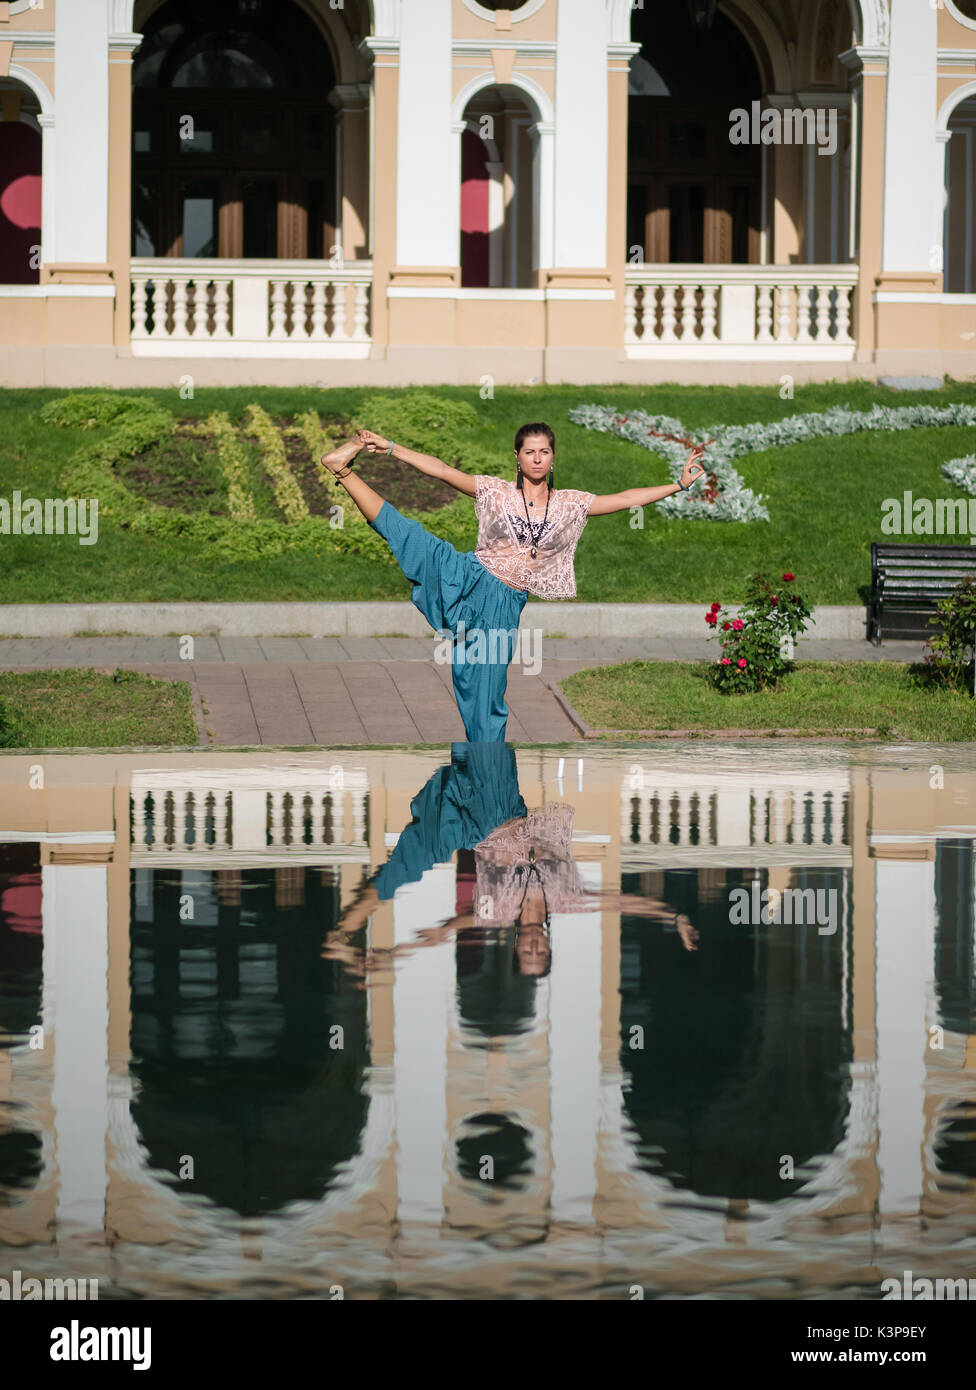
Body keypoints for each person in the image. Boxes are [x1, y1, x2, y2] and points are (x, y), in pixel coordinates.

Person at [320, 421, 707, 742]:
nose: (537, 458)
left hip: (503, 604)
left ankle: (483, 794)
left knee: (482, 690)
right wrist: (391, 448)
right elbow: (440, 470)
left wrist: (678, 484)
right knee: (408, 536)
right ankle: (341, 468)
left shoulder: (569, 503)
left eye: (544, 452)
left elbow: (624, 499)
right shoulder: (496, 492)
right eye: (529, 452)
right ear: (517, 458)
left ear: (553, 457)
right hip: (469, 576)